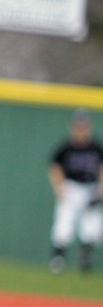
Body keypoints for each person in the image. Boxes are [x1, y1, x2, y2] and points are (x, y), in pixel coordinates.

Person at [48, 108, 103, 274]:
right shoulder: (67, 147)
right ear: (72, 127)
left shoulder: (95, 146)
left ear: (88, 127)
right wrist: (59, 187)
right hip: (71, 187)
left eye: (83, 126)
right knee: (63, 224)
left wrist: (101, 189)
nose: (80, 130)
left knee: (92, 227)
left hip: (90, 188)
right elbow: (54, 165)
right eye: (77, 127)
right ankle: (57, 260)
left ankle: (85, 260)